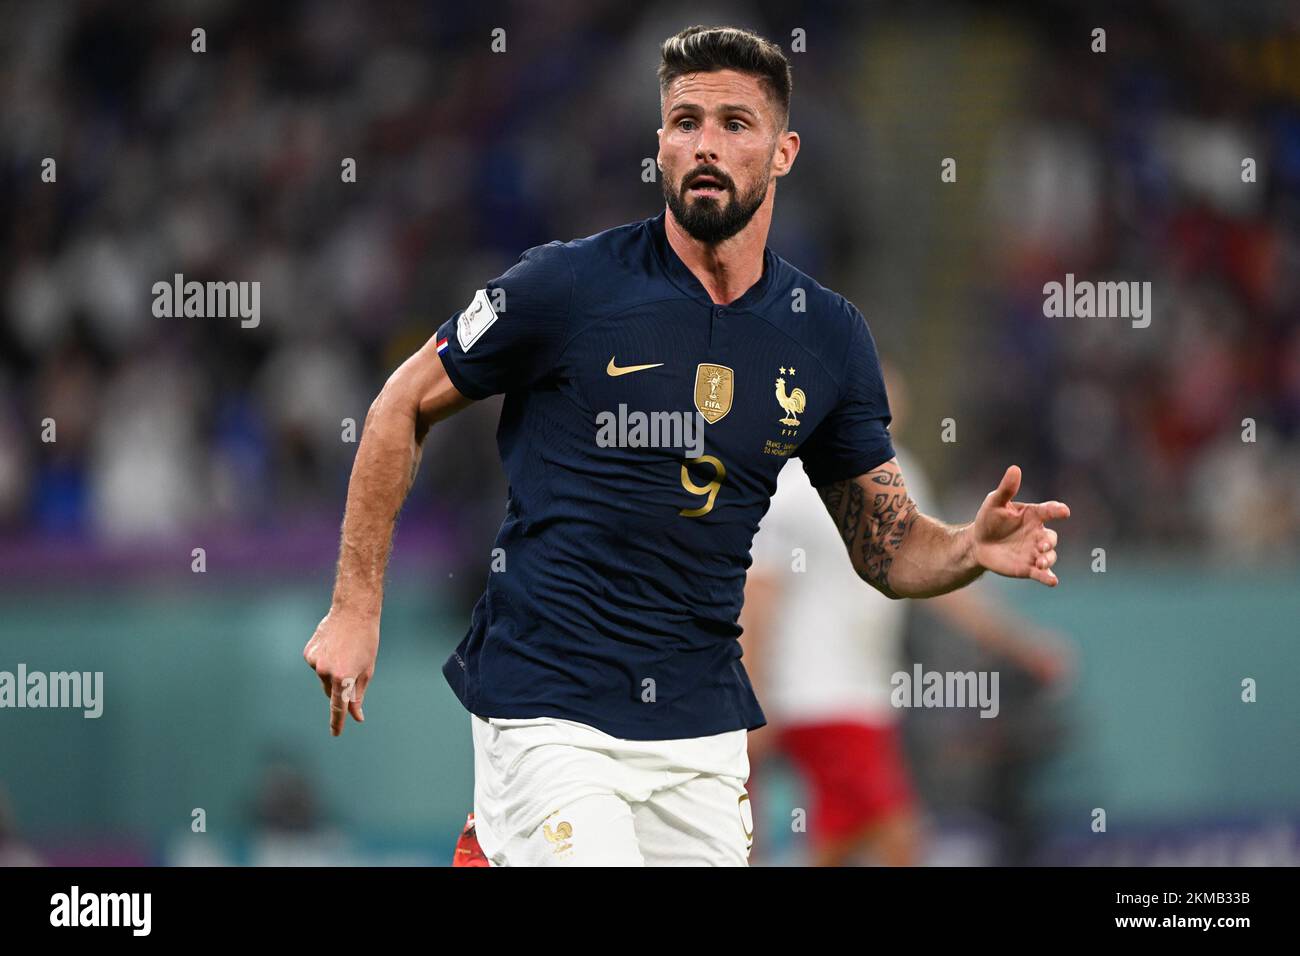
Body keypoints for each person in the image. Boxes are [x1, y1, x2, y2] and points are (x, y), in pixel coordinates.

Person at [303, 24, 1070, 866]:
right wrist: (355, 605)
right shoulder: (566, 286)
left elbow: (887, 546)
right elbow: (400, 403)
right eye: (685, 121)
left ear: (783, 152)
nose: (705, 144)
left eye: (735, 124)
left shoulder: (825, 338)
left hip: (701, 730)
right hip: (550, 705)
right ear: (660, 144)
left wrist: (966, 545)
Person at [741, 363, 1073, 866]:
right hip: (818, 694)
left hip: (858, 694)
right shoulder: (791, 483)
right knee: (896, 835)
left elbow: (936, 578)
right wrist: (755, 692)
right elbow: (760, 592)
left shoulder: (899, 475)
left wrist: (1019, 643)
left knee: (851, 837)